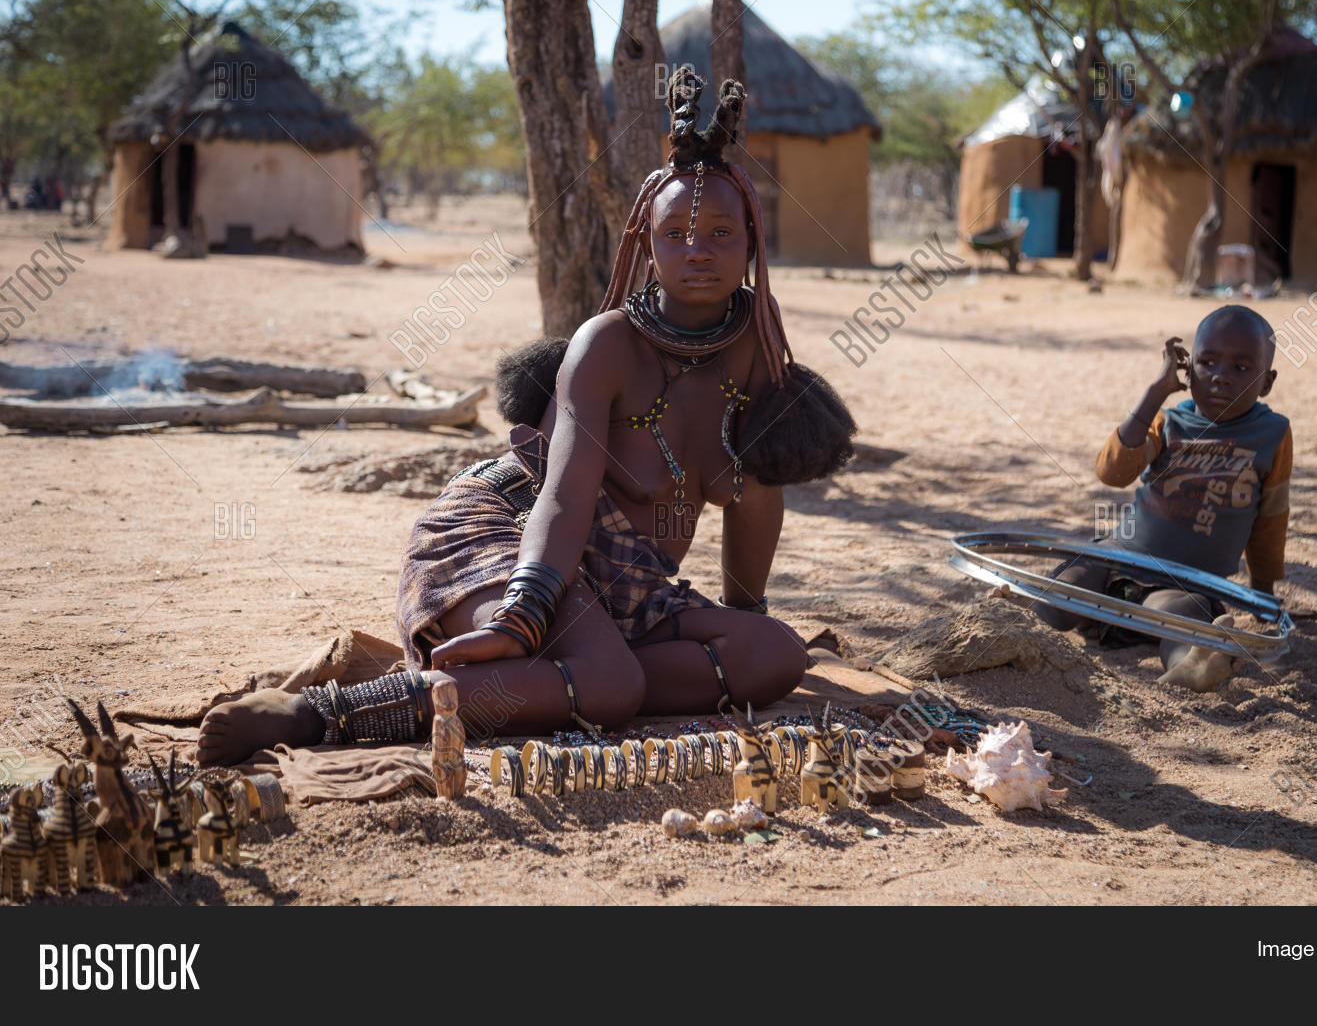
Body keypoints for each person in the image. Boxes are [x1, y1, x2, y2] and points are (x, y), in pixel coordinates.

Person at [196, 69, 855, 764]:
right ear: (647, 243)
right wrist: (523, 610)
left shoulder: (757, 337)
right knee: (607, 683)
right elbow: (567, 496)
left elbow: (756, 488)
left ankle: (560, 676)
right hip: (510, 538)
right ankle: (315, 714)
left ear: (752, 239)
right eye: (677, 233)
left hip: (627, 586)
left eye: (722, 233)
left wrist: (738, 619)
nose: (699, 250)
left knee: (775, 657)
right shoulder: (606, 345)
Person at [1033, 305, 1292, 691]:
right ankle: (1025, 613)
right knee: (1066, 589)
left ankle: (1194, 667)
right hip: (1117, 559)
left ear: (1267, 382)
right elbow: (1112, 472)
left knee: (1188, 619)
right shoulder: (1168, 422)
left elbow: (1270, 516)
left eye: (1241, 368)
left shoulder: (1271, 434)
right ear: (1187, 372)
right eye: (1207, 363)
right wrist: (1154, 393)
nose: (1220, 377)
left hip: (1182, 585)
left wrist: (1264, 594)